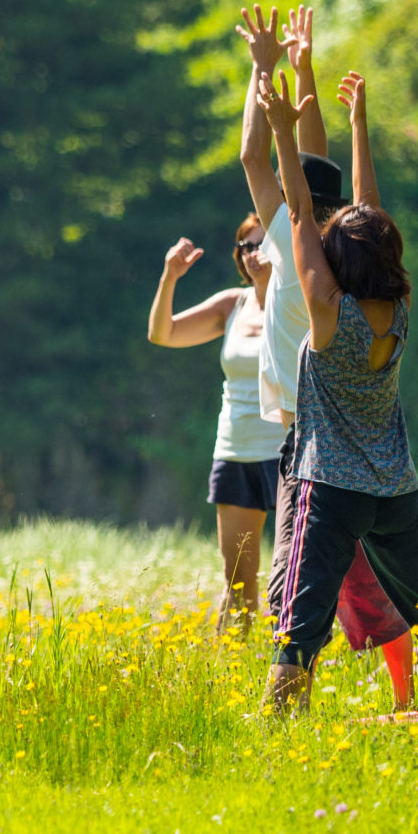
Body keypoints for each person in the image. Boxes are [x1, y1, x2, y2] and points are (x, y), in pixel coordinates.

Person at [256, 62, 418, 714]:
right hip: (395, 489)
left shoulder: (330, 315)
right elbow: (370, 217)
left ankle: (274, 740)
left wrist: (282, 132)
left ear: (342, 262)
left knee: (298, 633)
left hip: (328, 489)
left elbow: (301, 211)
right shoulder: (397, 311)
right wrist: (357, 124)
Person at [237, 5, 417, 707]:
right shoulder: (347, 251)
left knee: (312, 589)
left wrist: (264, 71)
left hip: (315, 446)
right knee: (373, 579)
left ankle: (302, 703)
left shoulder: (296, 243)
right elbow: (325, 176)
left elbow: (265, 161)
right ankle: (405, 696)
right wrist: (303, 75)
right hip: (342, 440)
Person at [147, 214, 288, 634]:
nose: (254, 253)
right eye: (246, 246)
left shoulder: (297, 303)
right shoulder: (232, 304)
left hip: (287, 454)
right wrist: (170, 276)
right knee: (238, 582)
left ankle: (302, 660)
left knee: (297, 579)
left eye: (263, 243)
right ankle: (229, 667)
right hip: (235, 451)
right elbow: (163, 333)